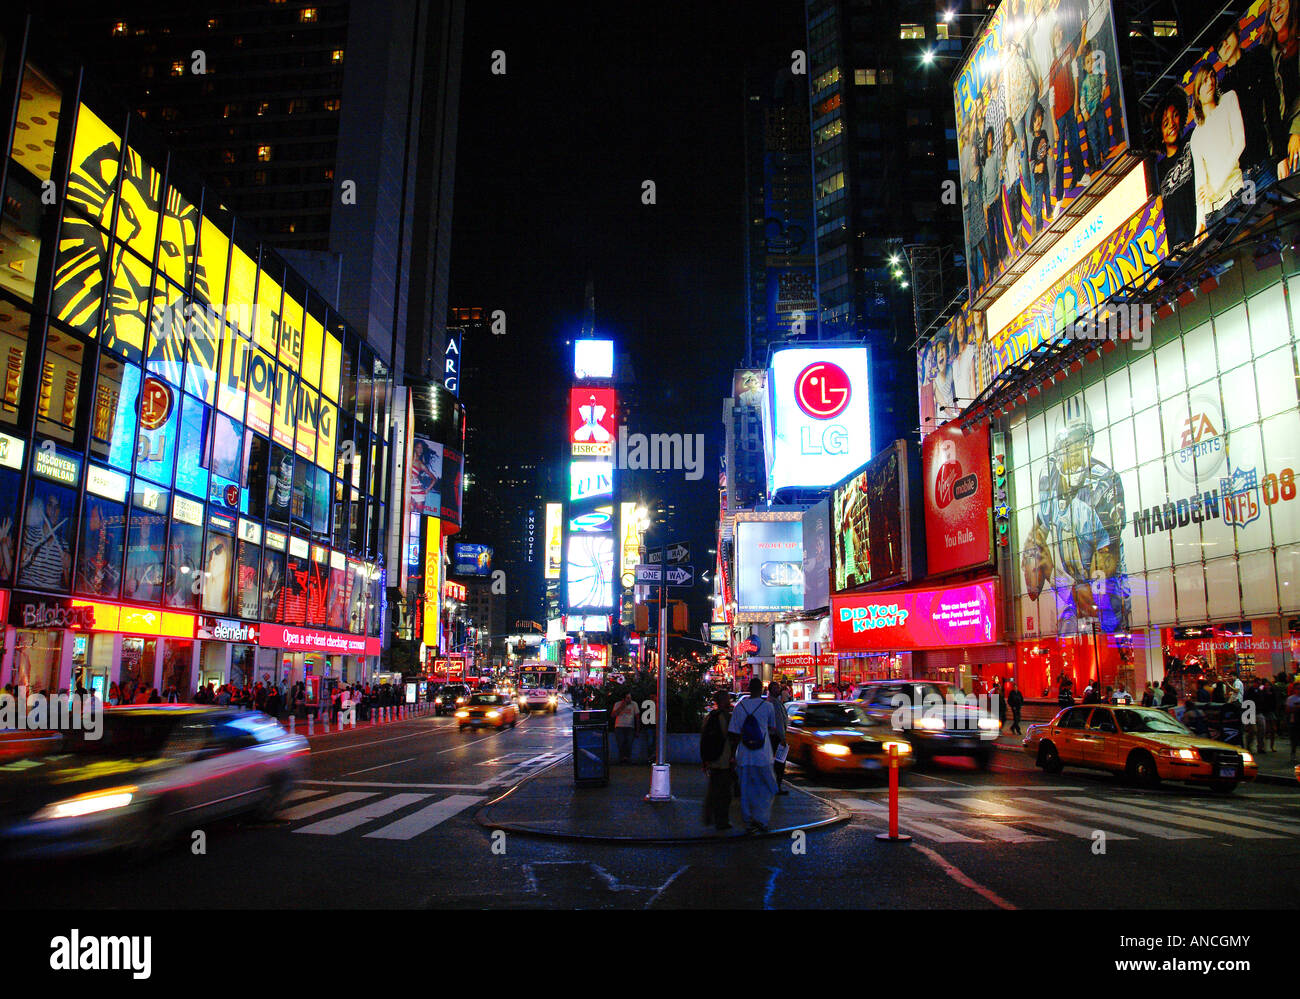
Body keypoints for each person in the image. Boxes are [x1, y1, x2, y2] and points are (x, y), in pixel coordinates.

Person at [1188, 63, 1246, 235]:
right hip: (1212, 213)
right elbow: (1200, 180)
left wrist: (1214, 185)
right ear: (1197, 92)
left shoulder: (1229, 99)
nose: (1210, 82)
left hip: (1235, 195)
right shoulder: (1196, 136)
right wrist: (1200, 221)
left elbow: (1240, 142)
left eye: (1212, 76)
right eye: (1205, 80)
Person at [728, 677, 783, 834]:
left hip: (744, 755)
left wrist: (732, 756)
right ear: (762, 690)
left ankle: (748, 820)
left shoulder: (739, 707)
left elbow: (734, 734)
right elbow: (772, 729)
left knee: (745, 789)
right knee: (769, 787)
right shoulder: (768, 707)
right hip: (763, 755)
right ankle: (762, 818)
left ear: (749, 689)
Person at [700, 690, 735, 832]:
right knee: (725, 792)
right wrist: (733, 756)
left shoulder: (709, 717)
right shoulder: (726, 717)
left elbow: (704, 739)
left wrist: (705, 759)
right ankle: (722, 820)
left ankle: (709, 816)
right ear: (723, 701)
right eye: (727, 699)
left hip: (712, 759)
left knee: (713, 789)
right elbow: (732, 737)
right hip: (724, 759)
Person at [1078, 43, 1109, 173]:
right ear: (1084, 67)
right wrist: (1084, 112)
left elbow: (1103, 81)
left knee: (1103, 130)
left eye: (1093, 60)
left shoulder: (1098, 74)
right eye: (1088, 62)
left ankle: (1106, 152)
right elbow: (1082, 100)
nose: (1091, 64)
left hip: (1099, 108)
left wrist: (1102, 93)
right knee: (1093, 138)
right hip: (1089, 115)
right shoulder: (1085, 83)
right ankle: (1097, 161)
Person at [768, 682, 789, 794]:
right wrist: (782, 738)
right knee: (779, 763)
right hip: (776, 737)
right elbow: (778, 721)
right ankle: (776, 786)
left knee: (777, 763)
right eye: (775, 688)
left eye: (778, 688)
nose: (778, 690)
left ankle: (776, 786)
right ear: (771, 690)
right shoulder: (774, 703)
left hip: (775, 736)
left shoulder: (775, 702)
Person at [611, 691, 638, 764]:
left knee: (629, 743)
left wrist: (637, 729)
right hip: (619, 726)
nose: (629, 700)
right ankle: (622, 758)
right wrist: (622, 707)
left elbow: (637, 716)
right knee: (621, 742)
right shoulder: (617, 704)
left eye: (630, 698)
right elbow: (613, 715)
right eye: (627, 698)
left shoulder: (634, 704)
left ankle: (627, 758)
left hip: (630, 726)